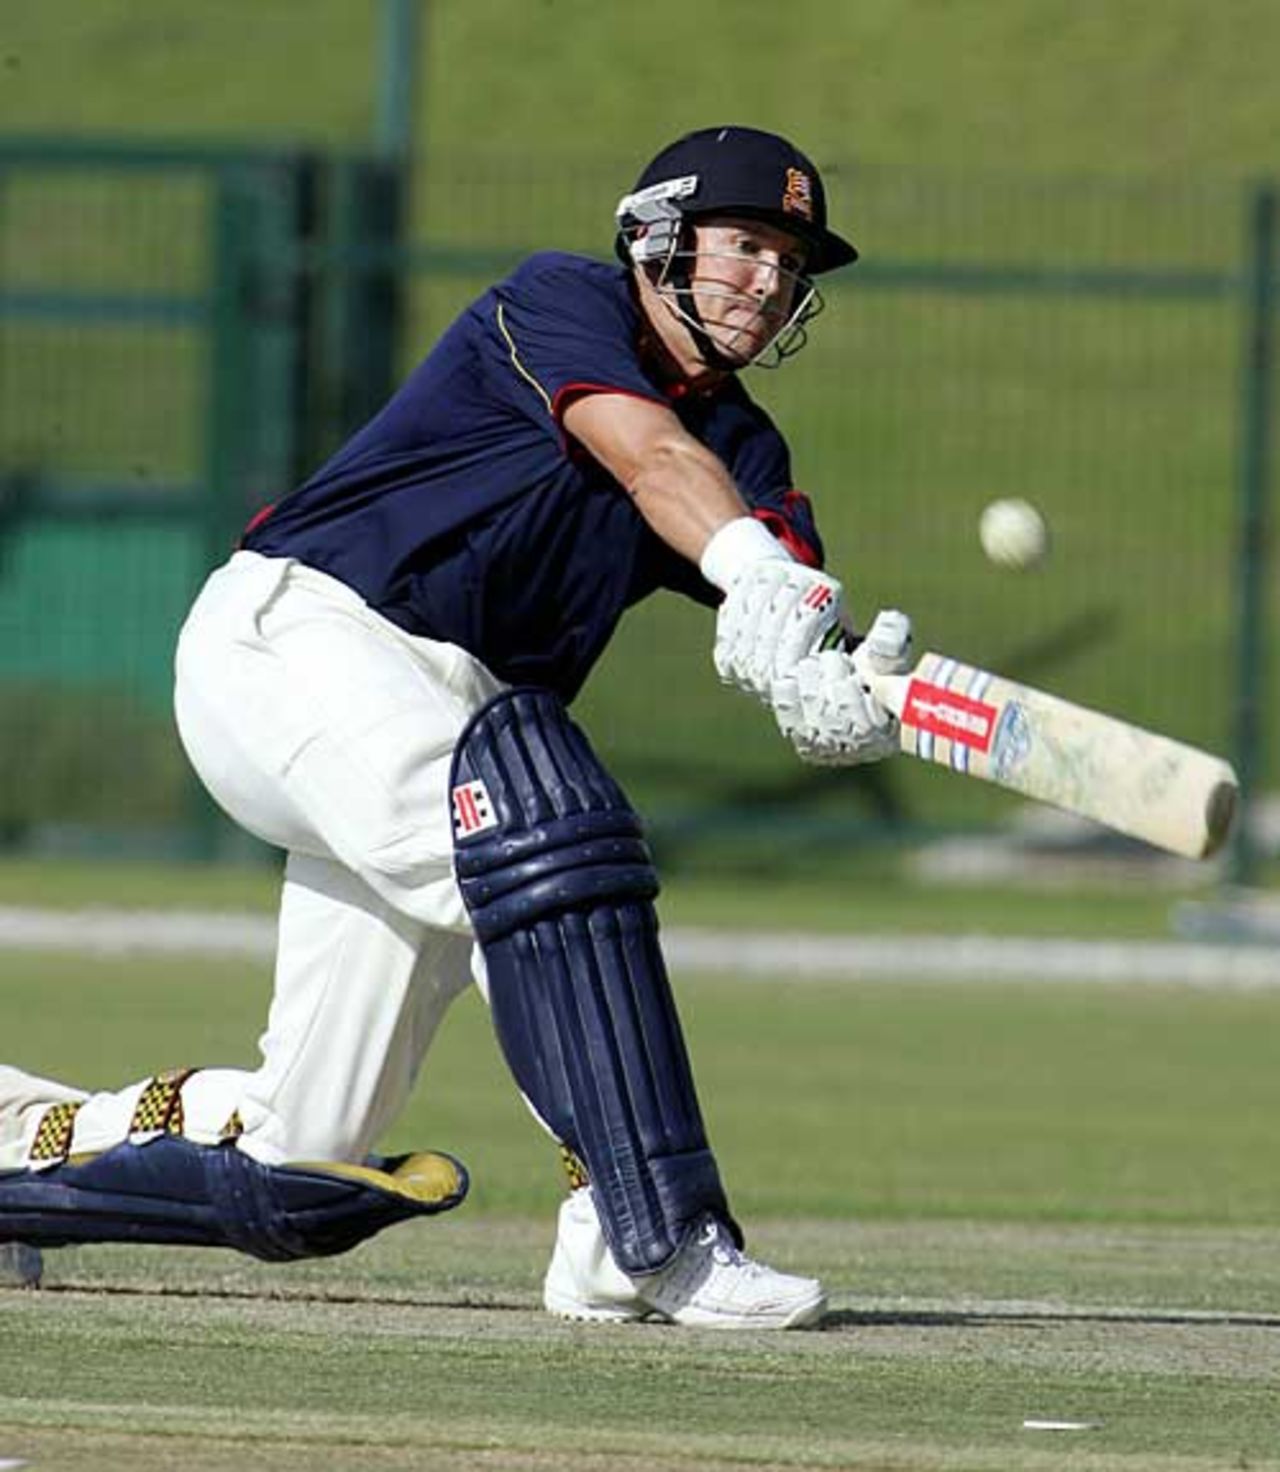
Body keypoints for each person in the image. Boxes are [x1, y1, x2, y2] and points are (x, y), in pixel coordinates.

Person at [0, 125, 912, 1327]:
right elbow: (646, 457)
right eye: (744, 244)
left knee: (299, 1151)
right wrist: (749, 569)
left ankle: (19, 1148)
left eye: (789, 262)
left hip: (446, 727)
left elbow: (785, 583)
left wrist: (838, 679)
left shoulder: (743, 447)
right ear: (658, 235)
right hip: (300, 643)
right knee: (554, 850)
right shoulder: (559, 301)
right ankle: (646, 1228)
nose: (767, 280)